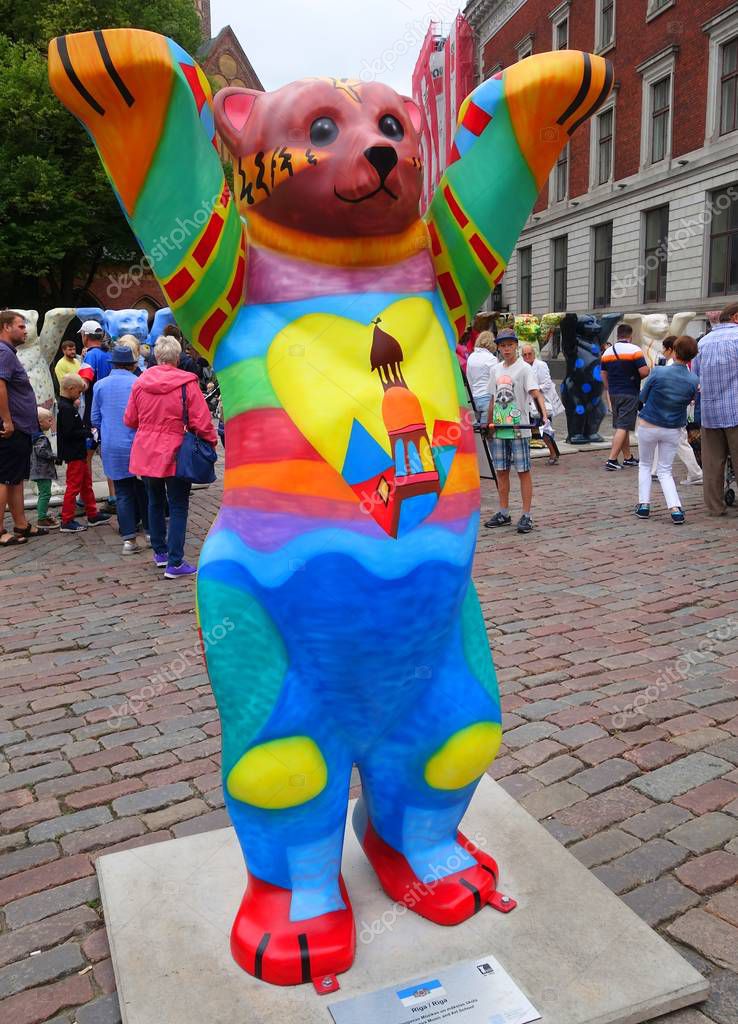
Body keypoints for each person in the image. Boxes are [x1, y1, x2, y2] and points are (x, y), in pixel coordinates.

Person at [124, 334, 217, 577]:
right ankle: (176, 562)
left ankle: (161, 553)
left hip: (146, 450)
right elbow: (201, 420)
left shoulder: (140, 382)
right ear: (177, 357)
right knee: (177, 505)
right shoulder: (187, 384)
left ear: (156, 356)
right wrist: (211, 441)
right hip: (176, 450)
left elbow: (130, 419)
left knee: (154, 501)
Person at [484, 328, 549, 534]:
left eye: (510, 345)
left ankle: (526, 514)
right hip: (500, 428)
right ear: (499, 348)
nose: (506, 349)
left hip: (519, 428)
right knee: (501, 471)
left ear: (516, 346)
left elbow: (535, 392)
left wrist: (544, 414)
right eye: (502, 346)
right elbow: (493, 399)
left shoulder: (524, 369)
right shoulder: (495, 370)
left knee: (523, 471)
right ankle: (503, 511)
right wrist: (488, 424)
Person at [634, 336, 699, 525]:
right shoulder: (693, 379)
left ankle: (644, 505)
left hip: (650, 424)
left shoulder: (659, 372)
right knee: (665, 470)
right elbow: (687, 401)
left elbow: (643, 396)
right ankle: (675, 508)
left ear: (675, 351)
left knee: (645, 465)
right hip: (673, 427)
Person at [91, 346, 147, 555]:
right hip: (137, 442)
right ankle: (150, 533)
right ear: (132, 365)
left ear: (113, 364)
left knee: (122, 492)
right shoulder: (139, 383)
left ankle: (129, 540)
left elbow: (95, 418)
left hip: (112, 444)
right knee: (143, 489)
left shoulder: (100, 386)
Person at [0, 309, 46, 545]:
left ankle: (21, 524)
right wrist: (7, 420)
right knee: (5, 477)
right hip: (12, 427)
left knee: (15, 478)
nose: (25, 330)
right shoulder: (3, 352)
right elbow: (0, 385)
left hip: (19, 426)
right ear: (6, 327)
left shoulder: (7, 352)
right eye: (20, 326)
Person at [692, 301, 738, 516]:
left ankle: (715, 506)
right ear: (736, 317)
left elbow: (696, 377)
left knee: (712, 464)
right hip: (736, 411)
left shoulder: (703, 342)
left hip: (710, 412)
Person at [57, 373, 111, 533]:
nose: (80, 394)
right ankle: (67, 520)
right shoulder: (66, 408)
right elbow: (69, 432)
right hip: (74, 454)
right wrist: (87, 432)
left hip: (78, 453)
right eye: (79, 391)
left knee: (86, 484)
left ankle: (92, 513)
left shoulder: (67, 406)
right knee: (73, 487)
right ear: (71, 389)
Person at [601, 323, 649, 471]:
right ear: (630, 335)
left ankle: (627, 457)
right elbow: (644, 371)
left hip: (614, 392)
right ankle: (612, 459)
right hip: (629, 392)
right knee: (623, 426)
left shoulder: (607, 352)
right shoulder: (635, 350)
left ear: (618, 335)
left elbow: (603, 374)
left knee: (622, 425)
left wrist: (609, 388)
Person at [521, 342, 562, 464]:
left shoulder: (541, 365)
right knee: (526, 429)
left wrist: (534, 389)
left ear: (534, 354)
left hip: (541, 401)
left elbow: (547, 383)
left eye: (529, 354)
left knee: (544, 429)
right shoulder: (522, 366)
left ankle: (553, 453)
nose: (527, 356)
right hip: (527, 402)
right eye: (525, 354)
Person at [31, 407, 59, 529]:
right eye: (49, 420)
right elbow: (41, 451)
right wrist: (55, 456)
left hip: (39, 471)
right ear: (40, 422)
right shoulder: (40, 438)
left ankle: (43, 514)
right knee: (45, 494)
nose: (51, 423)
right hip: (42, 471)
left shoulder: (35, 435)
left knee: (44, 493)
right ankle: (41, 518)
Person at [465, 331, 497, 423]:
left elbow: (469, 378)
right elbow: (496, 381)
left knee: (479, 433)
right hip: (488, 398)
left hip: (474, 398)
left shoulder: (471, 357)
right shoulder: (491, 359)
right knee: (489, 433)